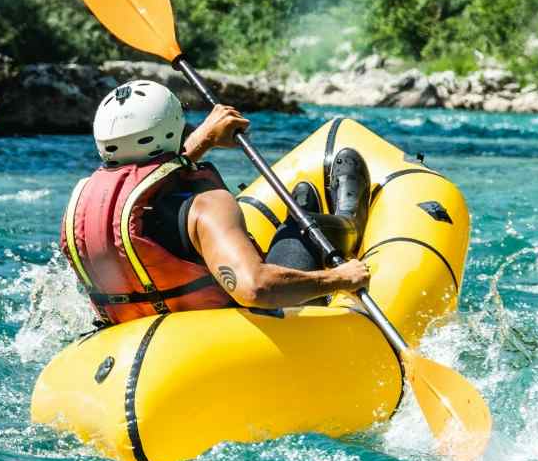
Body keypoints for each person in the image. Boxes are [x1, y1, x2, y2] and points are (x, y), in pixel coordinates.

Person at [60, 79, 370, 324]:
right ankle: (347, 222)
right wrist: (337, 279)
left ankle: (303, 214)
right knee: (305, 226)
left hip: (136, 340)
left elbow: (147, 182)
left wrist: (205, 139)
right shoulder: (207, 206)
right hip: (225, 340)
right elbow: (255, 288)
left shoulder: (82, 211)